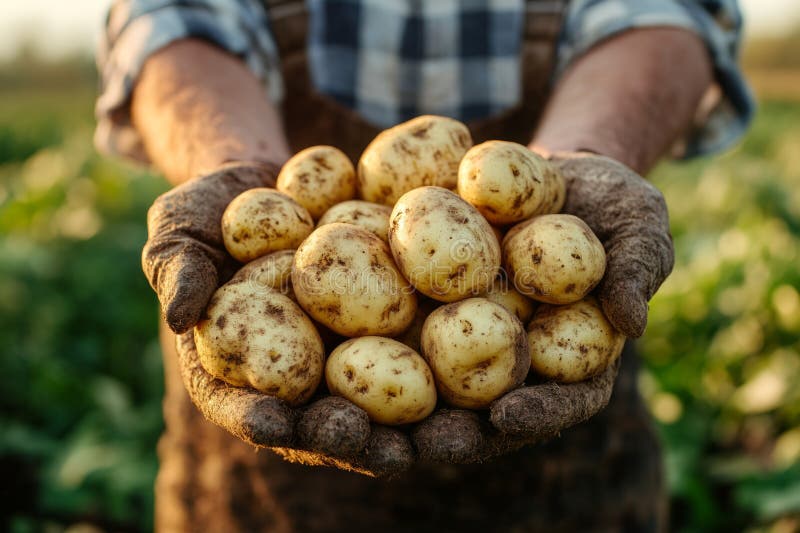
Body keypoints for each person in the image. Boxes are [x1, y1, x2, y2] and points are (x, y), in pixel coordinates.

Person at [96, 0, 753, 531]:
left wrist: (582, 157)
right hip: (254, 496)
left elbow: (663, 12)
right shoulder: (323, 246)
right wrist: (229, 161)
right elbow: (171, 15)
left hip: (568, 480)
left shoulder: (497, 255)